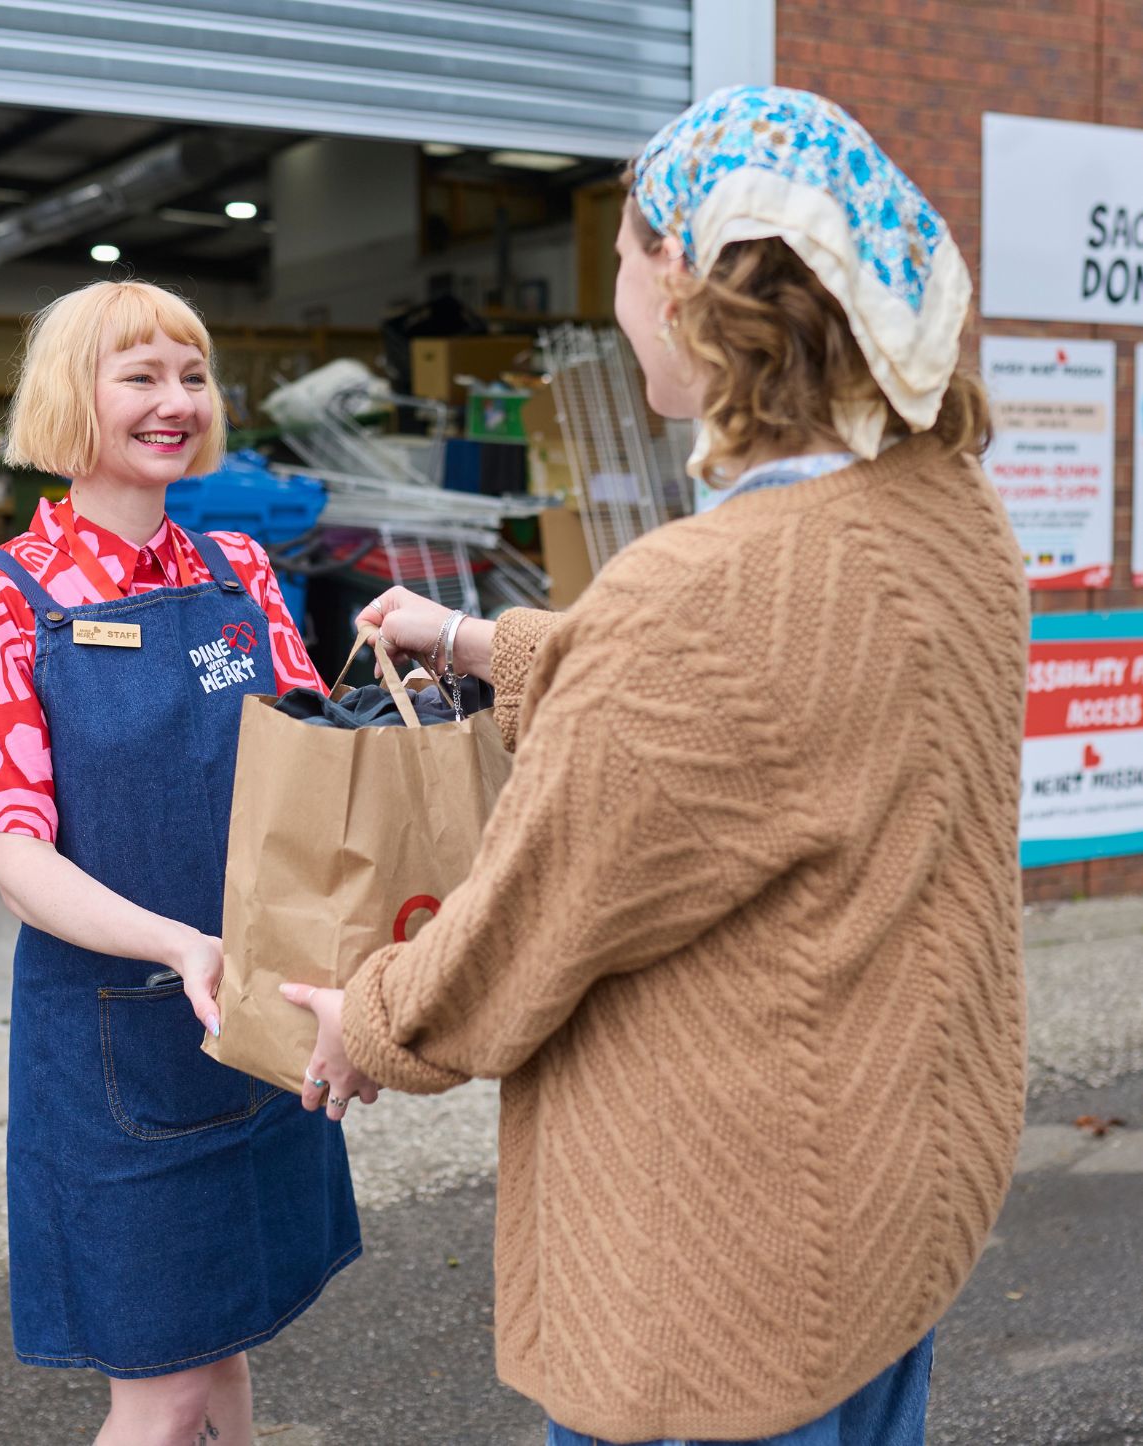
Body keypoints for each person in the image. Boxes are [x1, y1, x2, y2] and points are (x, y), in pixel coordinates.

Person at [281, 86, 1029, 1446]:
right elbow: (777, 711)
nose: (615, 284)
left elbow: (534, 909)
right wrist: (480, 641)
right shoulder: (945, 511)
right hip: (890, 1186)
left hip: (731, 1255)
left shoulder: (700, 595)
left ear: (684, 279)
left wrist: (374, 1017)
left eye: (625, 249)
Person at [0, 280, 362, 1446]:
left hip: (251, 1021)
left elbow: (311, 791)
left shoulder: (237, 571)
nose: (175, 403)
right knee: (156, 1394)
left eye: (192, 376)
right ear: (76, 395)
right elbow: (16, 860)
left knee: (223, 1356)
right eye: (142, 376)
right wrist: (177, 943)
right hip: (118, 1045)